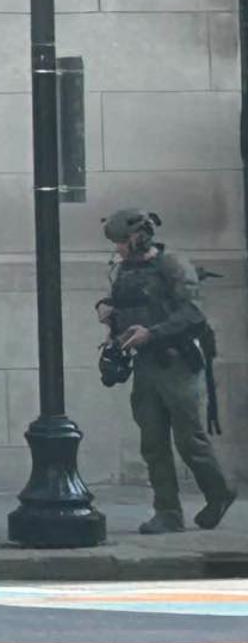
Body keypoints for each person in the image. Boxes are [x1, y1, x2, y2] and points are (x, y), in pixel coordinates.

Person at [98, 209, 235, 533]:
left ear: (137, 236)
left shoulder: (172, 264)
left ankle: (219, 492)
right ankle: (168, 512)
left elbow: (193, 312)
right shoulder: (125, 269)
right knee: (153, 441)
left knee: (190, 440)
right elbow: (125, 303)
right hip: (145, 364)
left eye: (120, 241)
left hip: (177, 362)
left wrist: (154, 333)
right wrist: (107, 310)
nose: (117, 248)